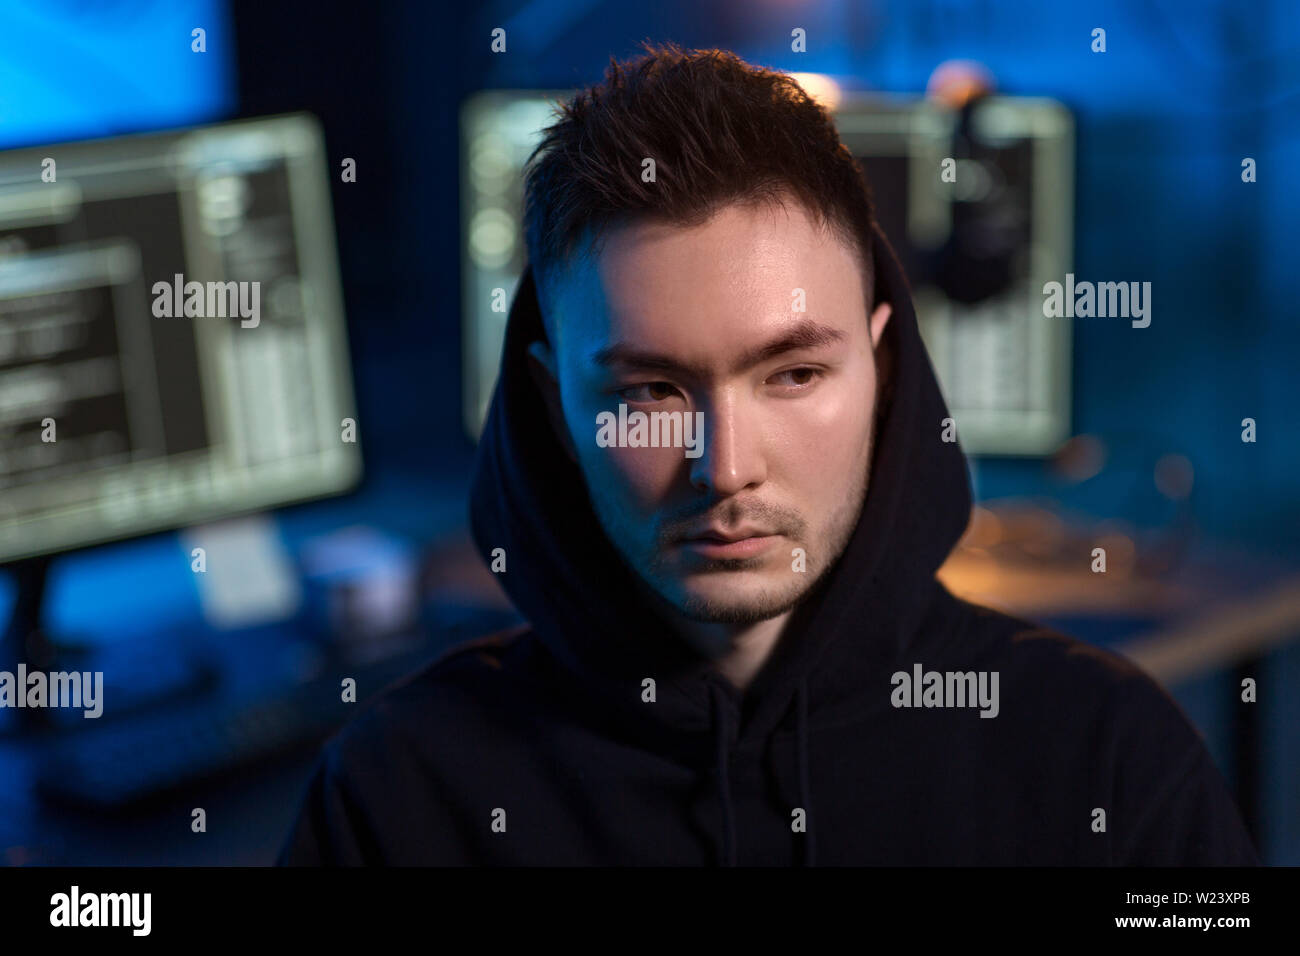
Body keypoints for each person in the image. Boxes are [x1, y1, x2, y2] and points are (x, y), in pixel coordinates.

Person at [278, 44, 1258, 866]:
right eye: (647, 391)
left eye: (791, 374)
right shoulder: (395, 801)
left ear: (880, 364)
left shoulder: (1112, 764)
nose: (725, 467)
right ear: (551, 399)